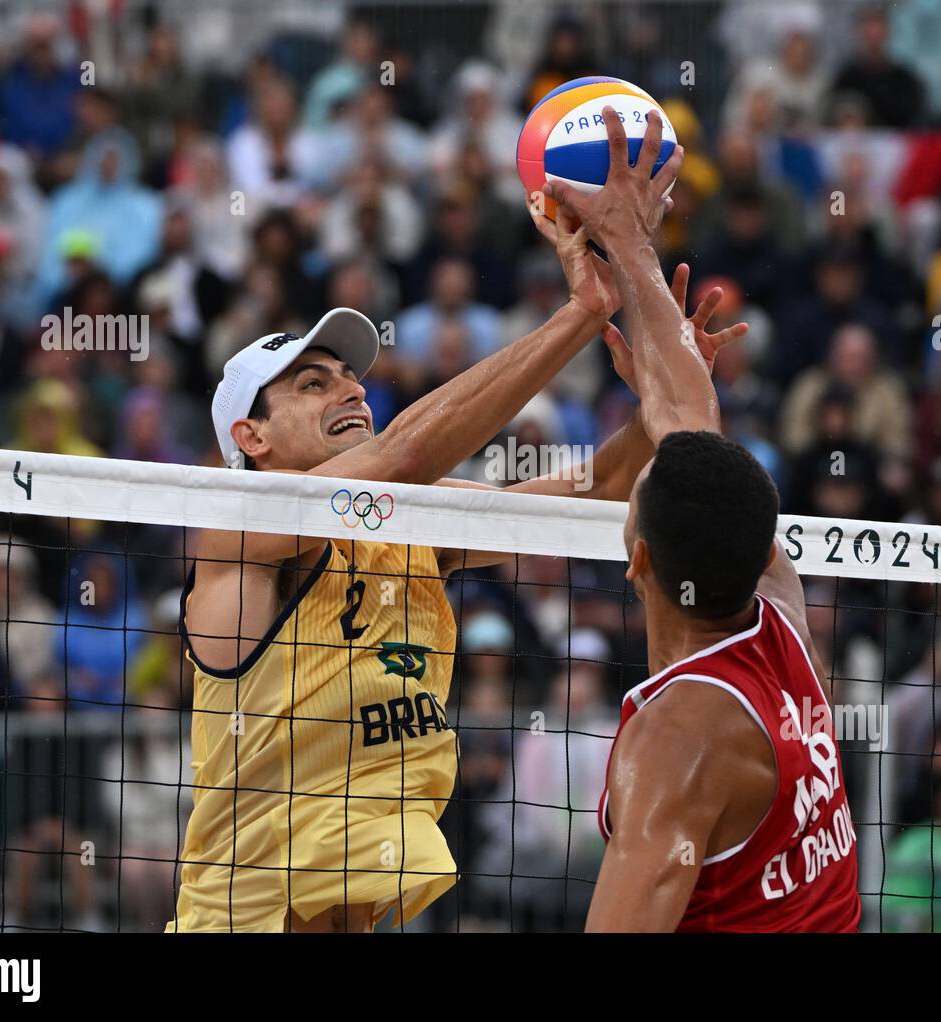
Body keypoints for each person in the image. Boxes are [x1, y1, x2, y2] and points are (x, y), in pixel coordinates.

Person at [168, 186, 746, 932]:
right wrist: (581, 314)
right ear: (252, 438)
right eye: (313, 384)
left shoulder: (411, 524)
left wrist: (666, 396)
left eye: (349, 376)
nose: (349, 388)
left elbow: (602, 486)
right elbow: (405, 453)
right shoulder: (238, 532)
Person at [543, 107, 860, 931]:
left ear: (638, 561)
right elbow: (690, 432)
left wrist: (621, 244)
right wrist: (634, 251)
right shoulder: (780, 614)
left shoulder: (677, 742)